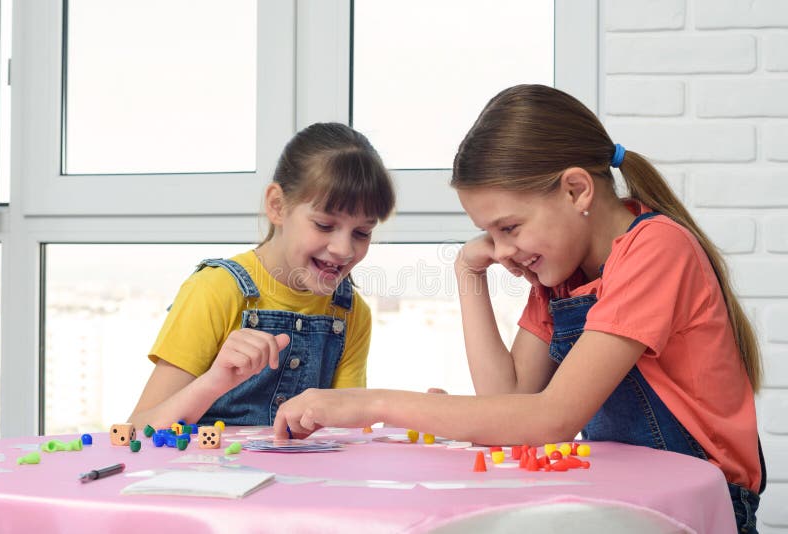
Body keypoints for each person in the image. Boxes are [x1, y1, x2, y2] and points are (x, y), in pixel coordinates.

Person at [273, 85, 765, 532]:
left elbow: (547, 418)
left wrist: (371, 404)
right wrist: (469, 273)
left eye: (509, 228)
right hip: (627, 496)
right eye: (489, 234)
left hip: (696, 505)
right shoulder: (562, 276)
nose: (502, 249)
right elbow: (506, 399)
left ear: (576, 191)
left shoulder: (657, 250)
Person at [129, 122, 395, 430]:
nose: (343, 249)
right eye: (324, 225)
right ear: (278, 206)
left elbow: (343, 433)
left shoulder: (350, 314)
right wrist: (213, 382)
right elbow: (138, 429)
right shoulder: (215, 290)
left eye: (362, 232)